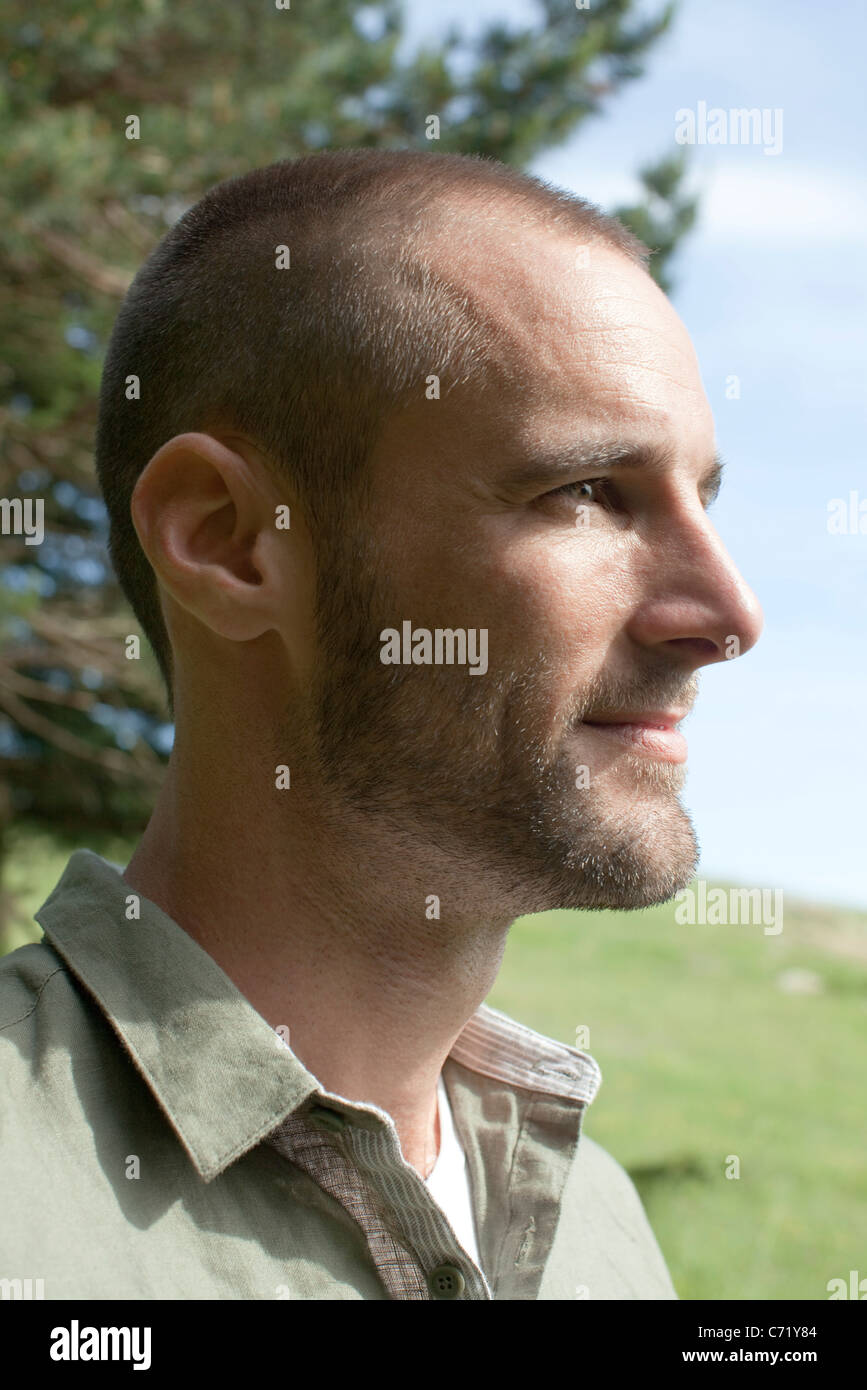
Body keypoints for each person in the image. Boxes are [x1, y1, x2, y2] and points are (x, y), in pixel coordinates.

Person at [0, 149, 762, 1300]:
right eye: (588, 492)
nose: (727, 614)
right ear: (230, 540)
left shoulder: (595, 1233)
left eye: (701, 499)